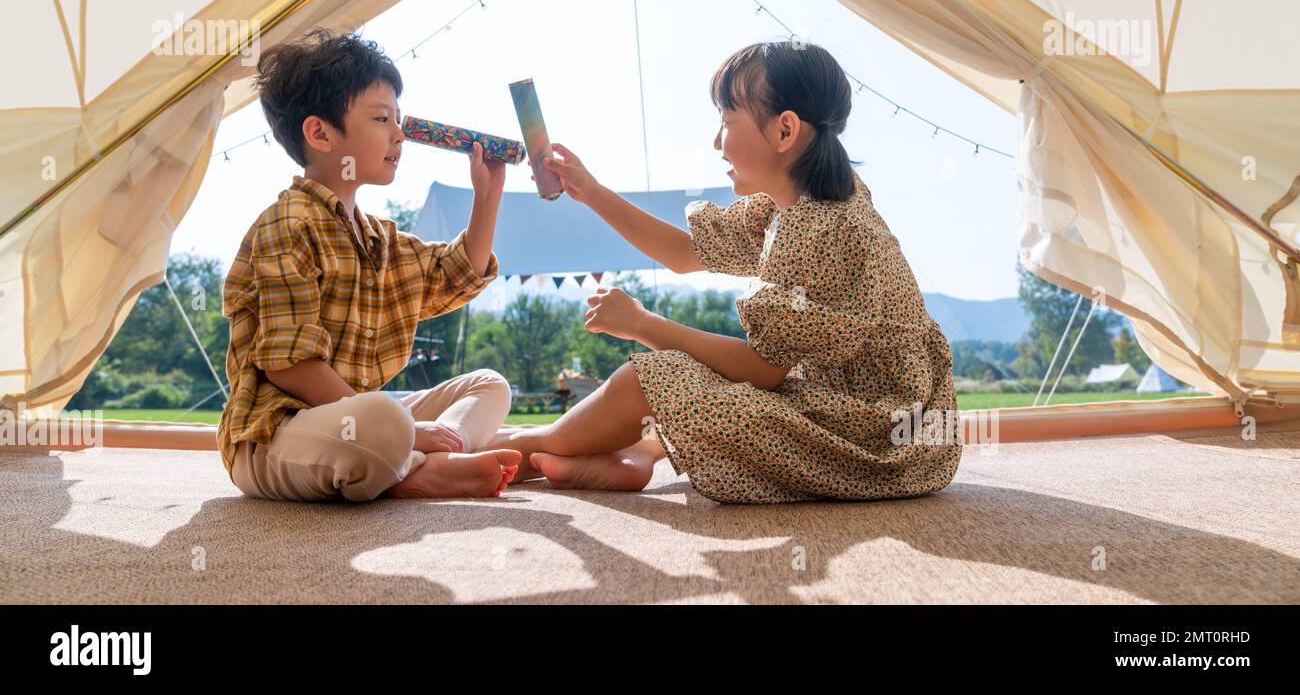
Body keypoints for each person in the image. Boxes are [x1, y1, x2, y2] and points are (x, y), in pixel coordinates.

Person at [496, 40, 963, 504]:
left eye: (727, 120)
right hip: (873, 419)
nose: (717, 142)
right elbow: (684, 252)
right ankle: (639, 453)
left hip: (872, 439)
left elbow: (762, 372)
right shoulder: (798, 206)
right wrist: (592, 191)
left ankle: (524, 449)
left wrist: (642, 324)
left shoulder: (820, 228)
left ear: (784, 131)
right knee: (701, 379)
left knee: (652, 378)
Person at [218, 28, 522, 502]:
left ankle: (430, 457)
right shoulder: (287, 224)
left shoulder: (380, 238)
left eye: (398, 120)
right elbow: (291, 367)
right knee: (383, 422)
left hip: (356, 418)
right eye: (381, 118)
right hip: (274, 438)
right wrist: (410, 429)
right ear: (320, 132)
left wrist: (487, 195)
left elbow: (455, 274)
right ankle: (415, 464)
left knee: (489, 386)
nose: (399, 135)